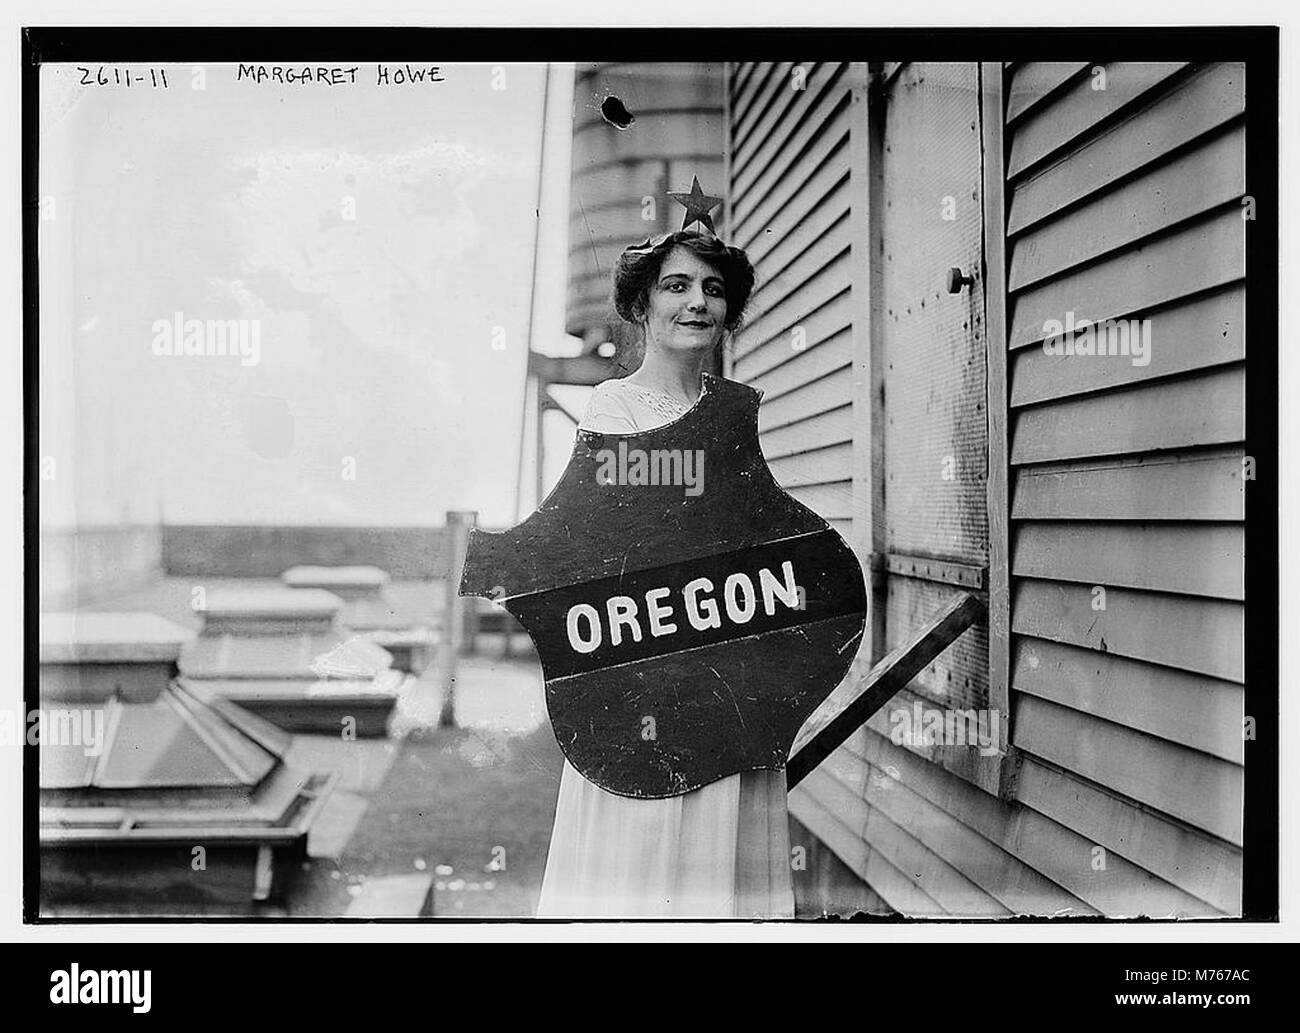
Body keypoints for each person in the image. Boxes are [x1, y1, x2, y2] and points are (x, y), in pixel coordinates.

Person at [535, 229, 795, 919]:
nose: (697, 302)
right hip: (648, 665)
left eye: (713, 289)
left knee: (723, 862)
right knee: (647, 865)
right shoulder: (613, 407)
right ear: (643, 305)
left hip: (730, 665)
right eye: (677, 286)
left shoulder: (737, 412)